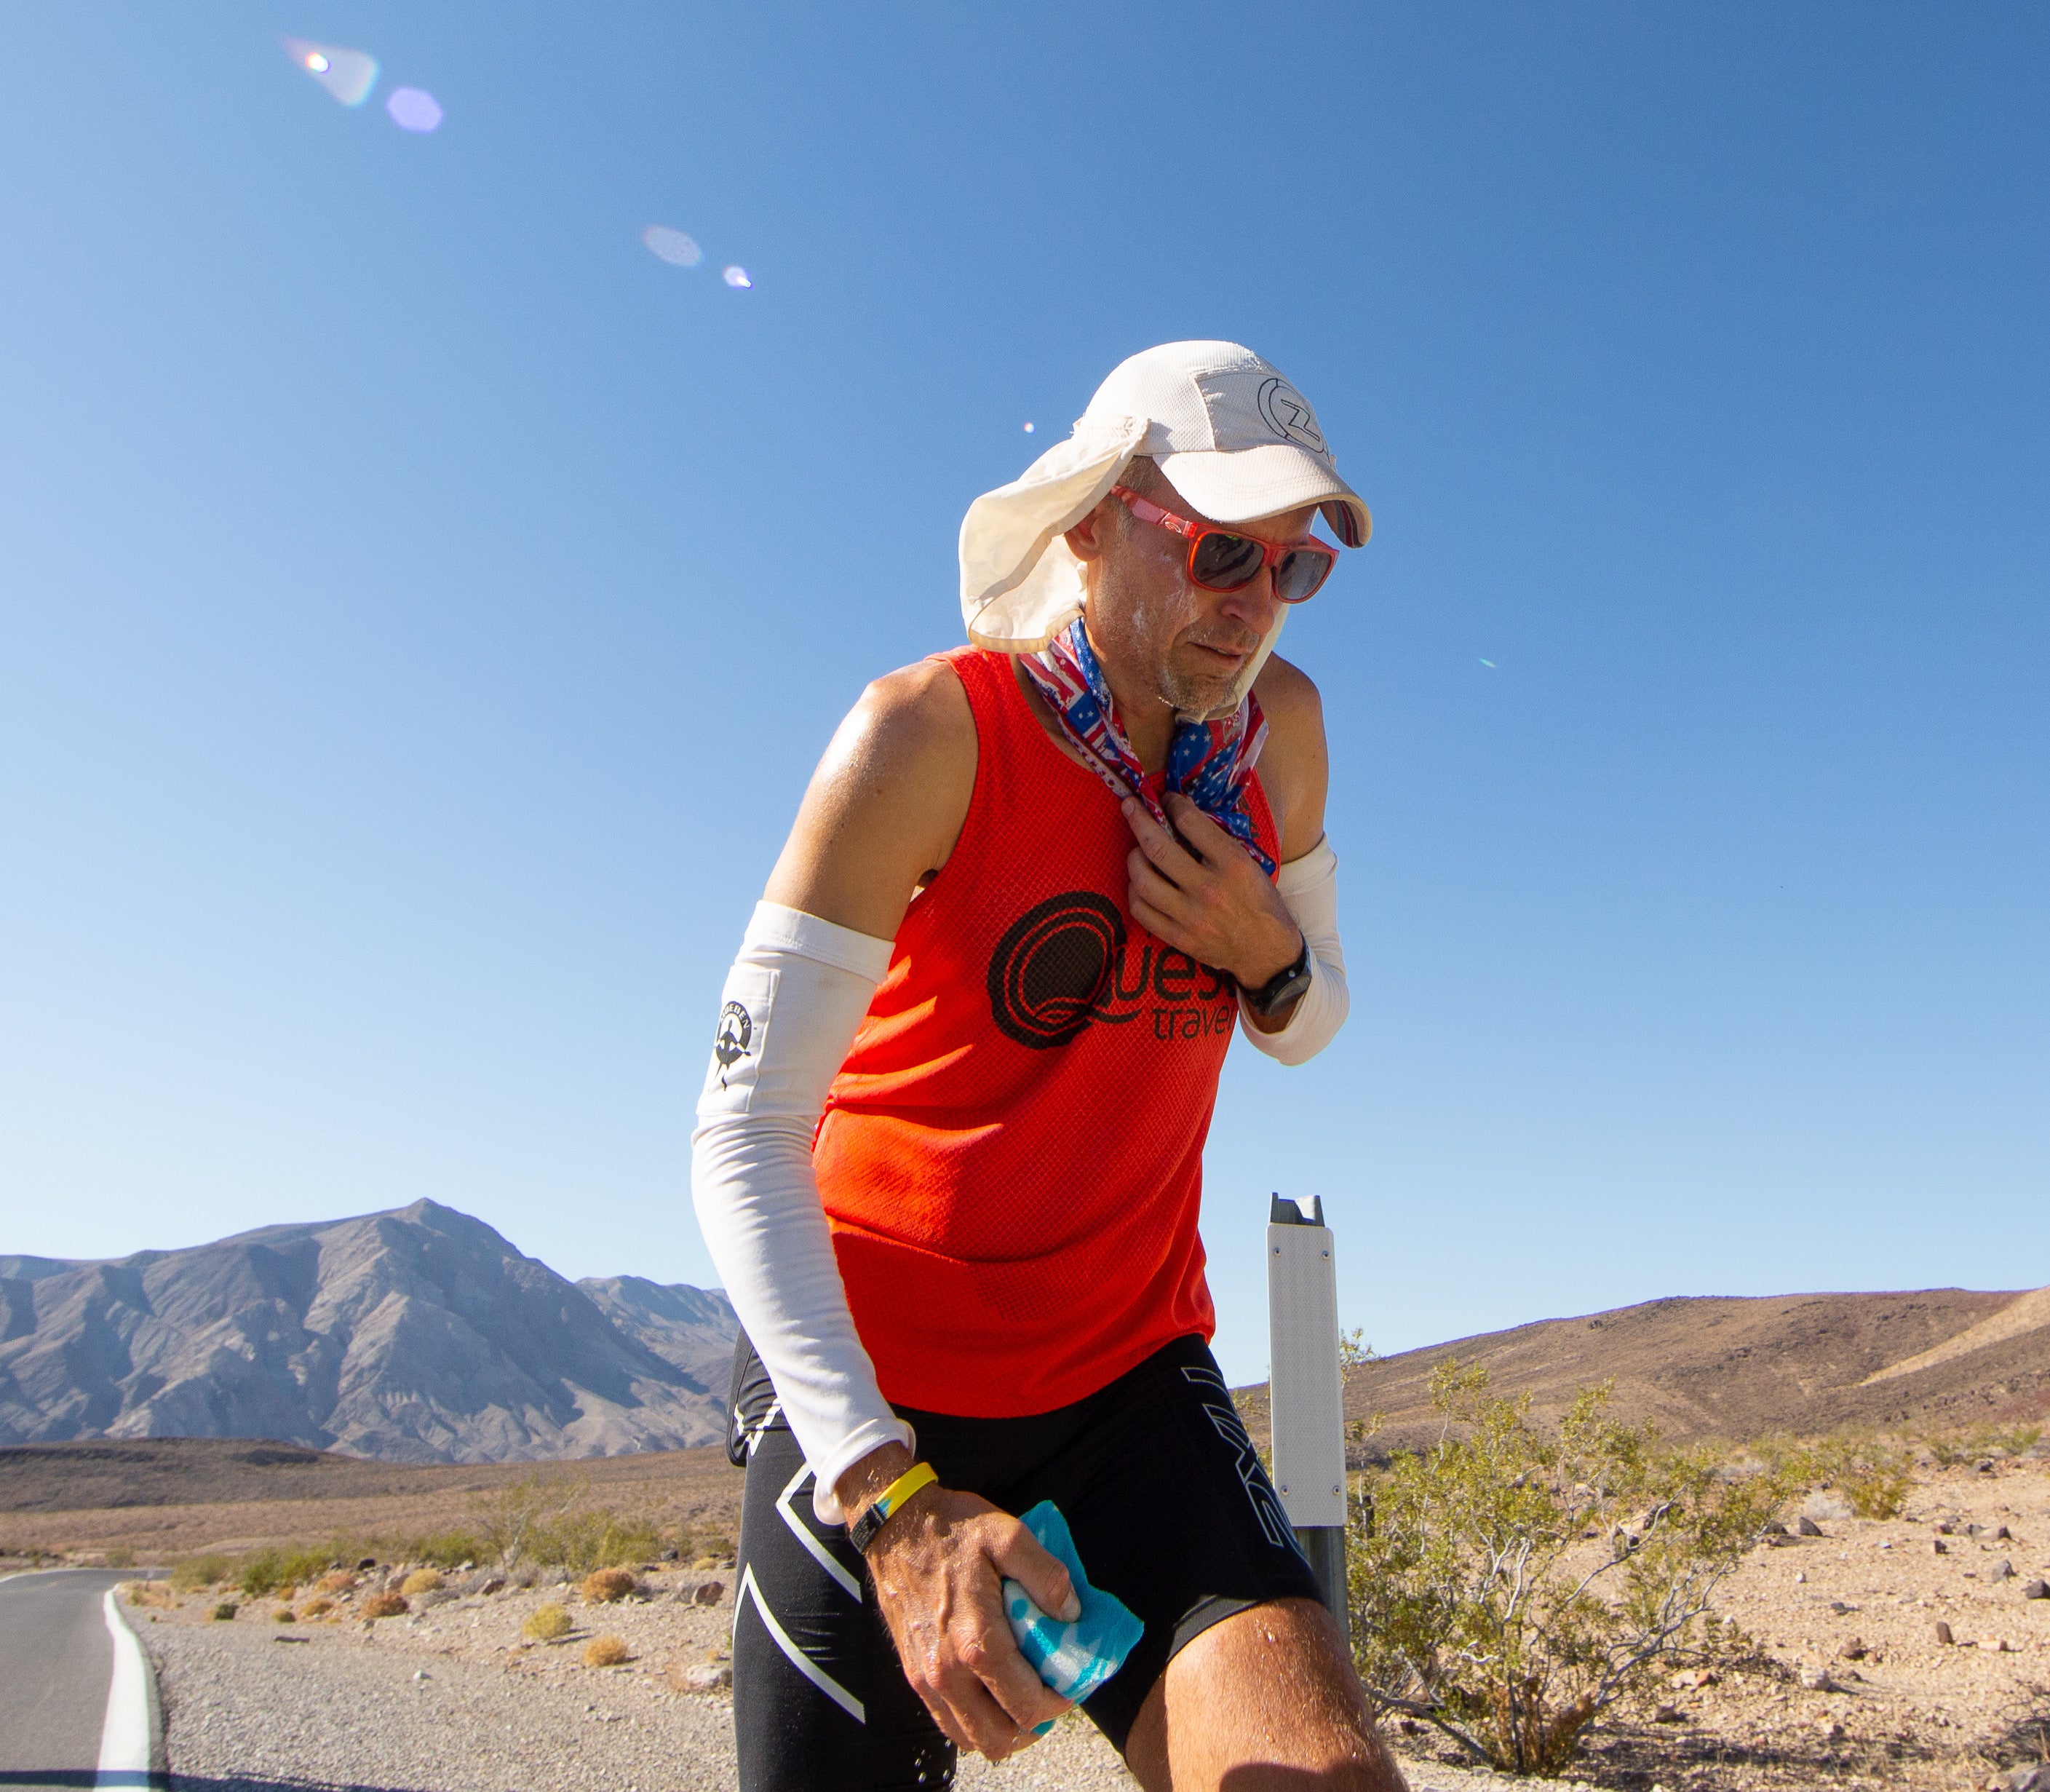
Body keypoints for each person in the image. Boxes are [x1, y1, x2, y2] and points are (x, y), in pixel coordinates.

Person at [693, 341, 1408, 1792]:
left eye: (1293, 569)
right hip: (874, 1395)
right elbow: (741, 1131)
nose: (1255, 603)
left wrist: (1261, 942)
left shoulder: (1279, 745)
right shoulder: (923, 736)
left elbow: (1311, 1015)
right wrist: (888, 1504)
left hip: (1126, 1375)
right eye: (1219, 548)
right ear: (1089, 522)